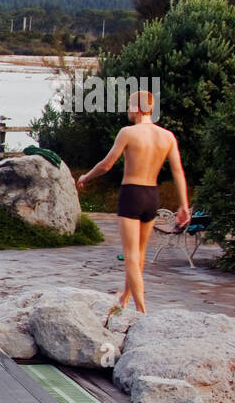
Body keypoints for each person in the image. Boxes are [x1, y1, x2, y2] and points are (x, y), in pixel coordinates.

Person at [76, 90, 190, 313]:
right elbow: (178, 171)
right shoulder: (167, 136)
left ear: (137, 108)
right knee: (140, 254)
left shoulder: (127, 132)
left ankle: (141, 310)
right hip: (151, 196)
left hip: (131, 194)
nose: (127, 109)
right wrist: (183, 204)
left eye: (129, 105)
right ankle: (125, 297)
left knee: (130, 256)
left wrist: (86, 176)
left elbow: (107, 165)